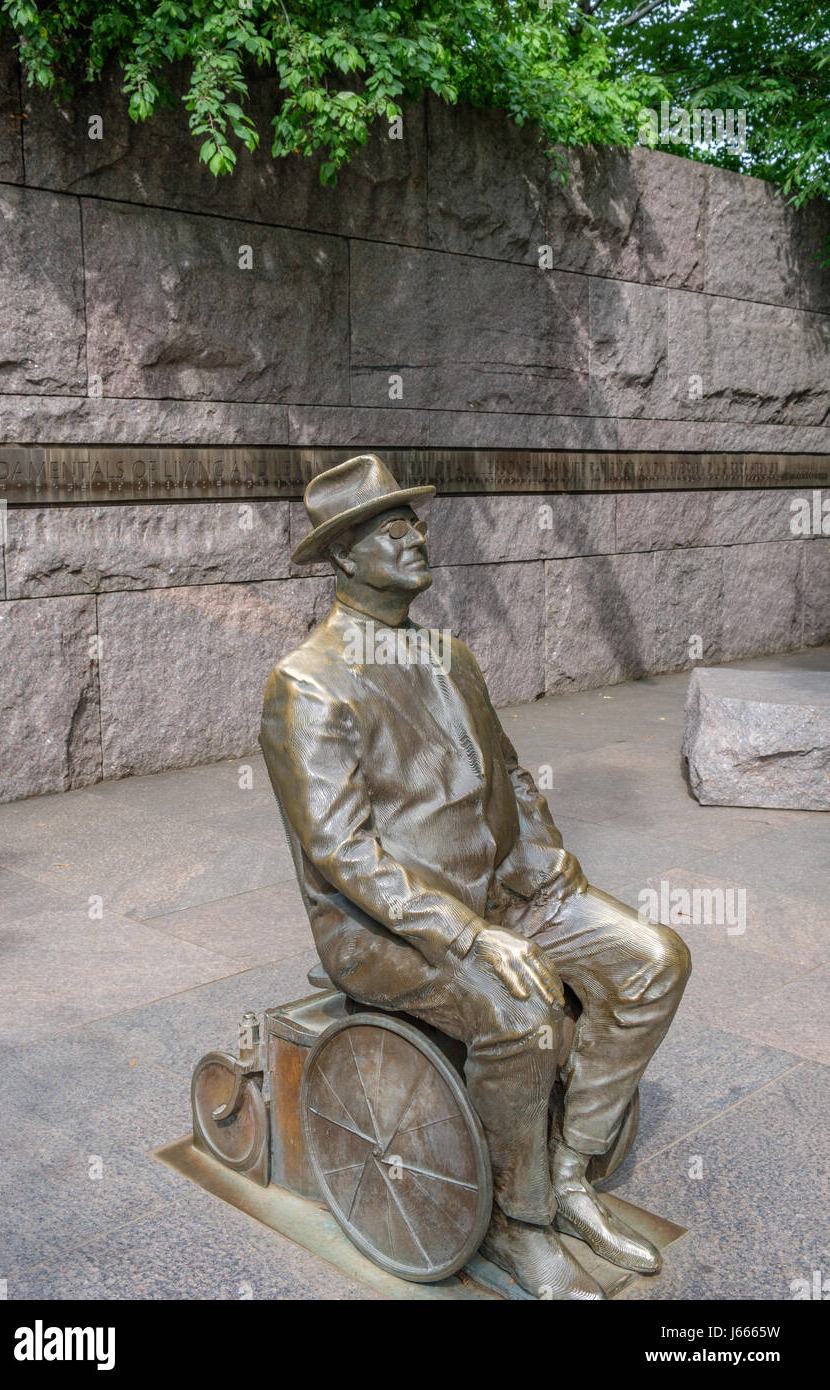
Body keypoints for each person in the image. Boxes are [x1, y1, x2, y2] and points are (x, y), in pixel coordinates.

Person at [259, 455, 691, 1300]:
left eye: (414, 521)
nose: (416, 536)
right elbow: (343, 854)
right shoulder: (307, 684)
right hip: (390, 932)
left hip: (508, 896)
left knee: (655, 959)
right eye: (392, 528)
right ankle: (515, 1224)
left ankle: (566, 1177)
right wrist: (471, 934)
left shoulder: (450, 654)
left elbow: (512, 777)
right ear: (344, 556)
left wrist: (553, 876)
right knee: (524, 1015)